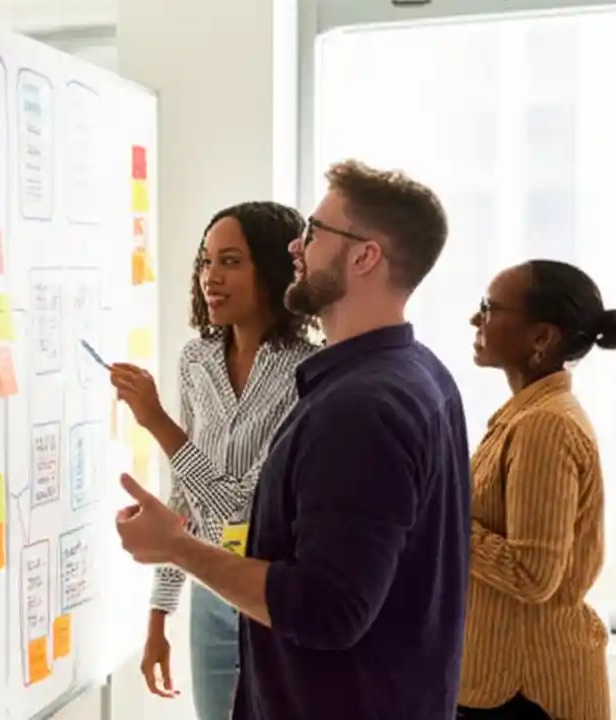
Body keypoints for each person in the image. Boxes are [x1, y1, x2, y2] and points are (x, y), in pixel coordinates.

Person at [115, 159, 472, 719]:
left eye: (313, 231)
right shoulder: (419, 373)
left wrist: (177, 547)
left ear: (365, 255)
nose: (295, 248)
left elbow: (328, 609)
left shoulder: (360, 409)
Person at [109, 201, 316, 717]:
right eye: (205, 262)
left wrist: (157, 422)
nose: (210, 278)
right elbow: (187, 497)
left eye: (230, 261)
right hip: (208, 596)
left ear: (270, 270)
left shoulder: (309, 372)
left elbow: (243, 505)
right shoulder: (195, 360)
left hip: (268, 592)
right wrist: (159, 615)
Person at [457, 261, 616, 720]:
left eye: (490, 308)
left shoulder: (544, 426)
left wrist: (447, 523)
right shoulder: (523, 415)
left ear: (542, 338)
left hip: (529, 692)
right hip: (496, 680)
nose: (476, 320)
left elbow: (532, 574)